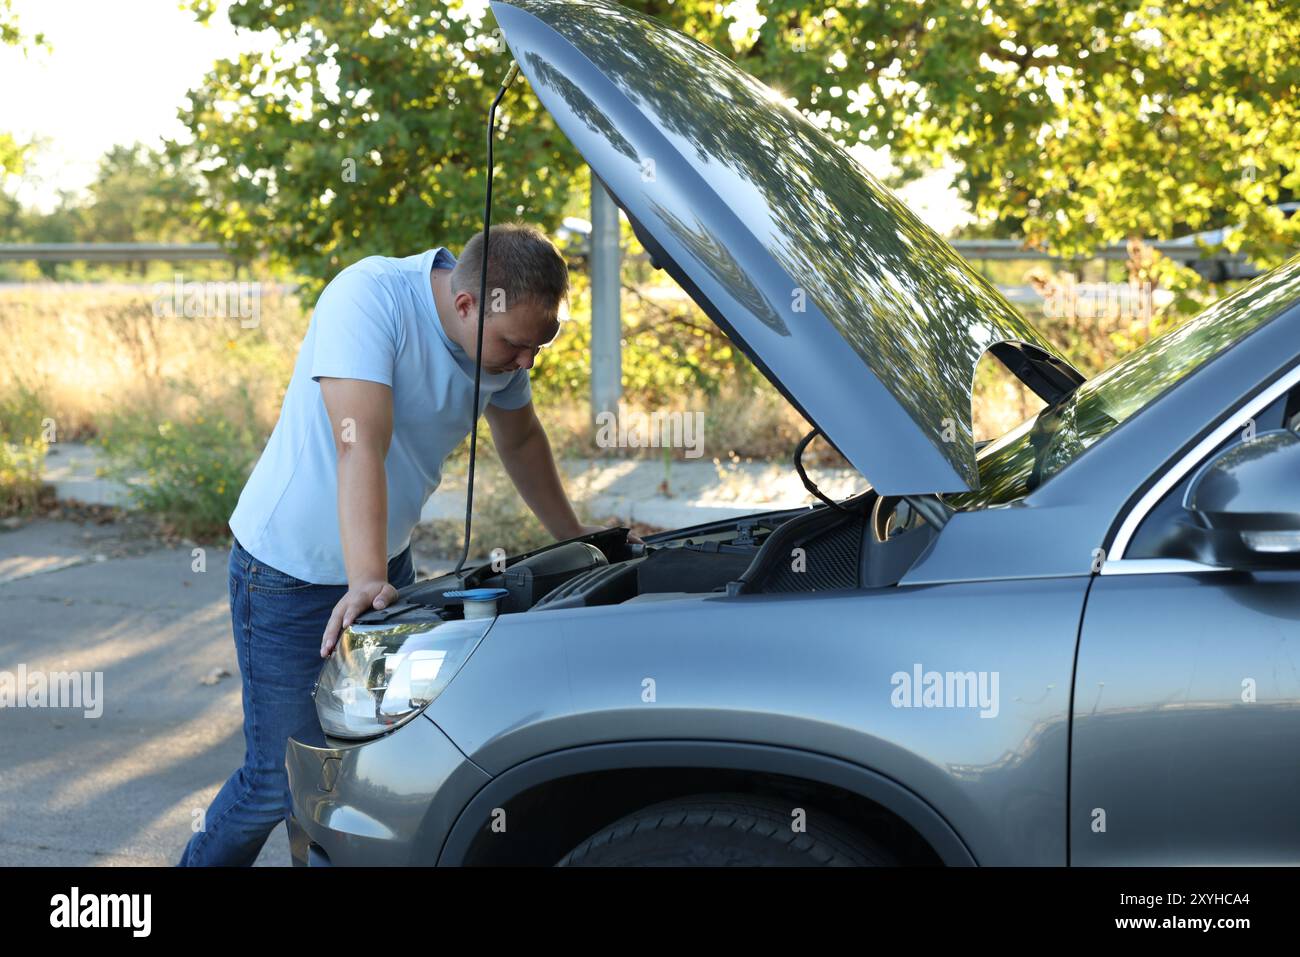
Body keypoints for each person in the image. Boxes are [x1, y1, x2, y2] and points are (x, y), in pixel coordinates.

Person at [179, 223, 617, 865]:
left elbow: (521, 441)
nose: (526, 362)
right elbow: (360, 443)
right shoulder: (369, 298)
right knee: (279, 782)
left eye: (539, 347)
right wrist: (364, 578)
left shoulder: (497, 344)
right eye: (517, 345)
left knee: (367, 777)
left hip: (380, 569)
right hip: (288, 570)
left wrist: (579, 541)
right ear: (469, 304)